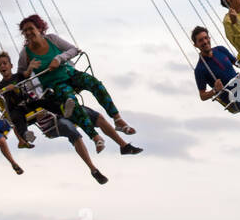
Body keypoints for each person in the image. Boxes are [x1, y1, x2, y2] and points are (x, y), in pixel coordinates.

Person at [13, 18, 143, 155]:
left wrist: (59, 58)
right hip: (55, 84)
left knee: (94, 83)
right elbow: (20, 77)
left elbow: (73, 50)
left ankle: (117, 119)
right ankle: (94, 136)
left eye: (30, 29)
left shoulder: (52, 39)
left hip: (70, 74)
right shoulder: (25, 53)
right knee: (70, 101)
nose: (28, 32)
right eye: (25, 31)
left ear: (39, 29)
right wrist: (29, 69)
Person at [0, 55, 112, 185]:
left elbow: (26, 75)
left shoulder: (19, 76)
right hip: (18, 109)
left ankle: (63, 109)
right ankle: (26, 135)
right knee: (17, 118)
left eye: (5, 63)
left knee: (43, 102)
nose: (2, 66)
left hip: (30, 103)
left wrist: (31, 67)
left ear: (11, 65)